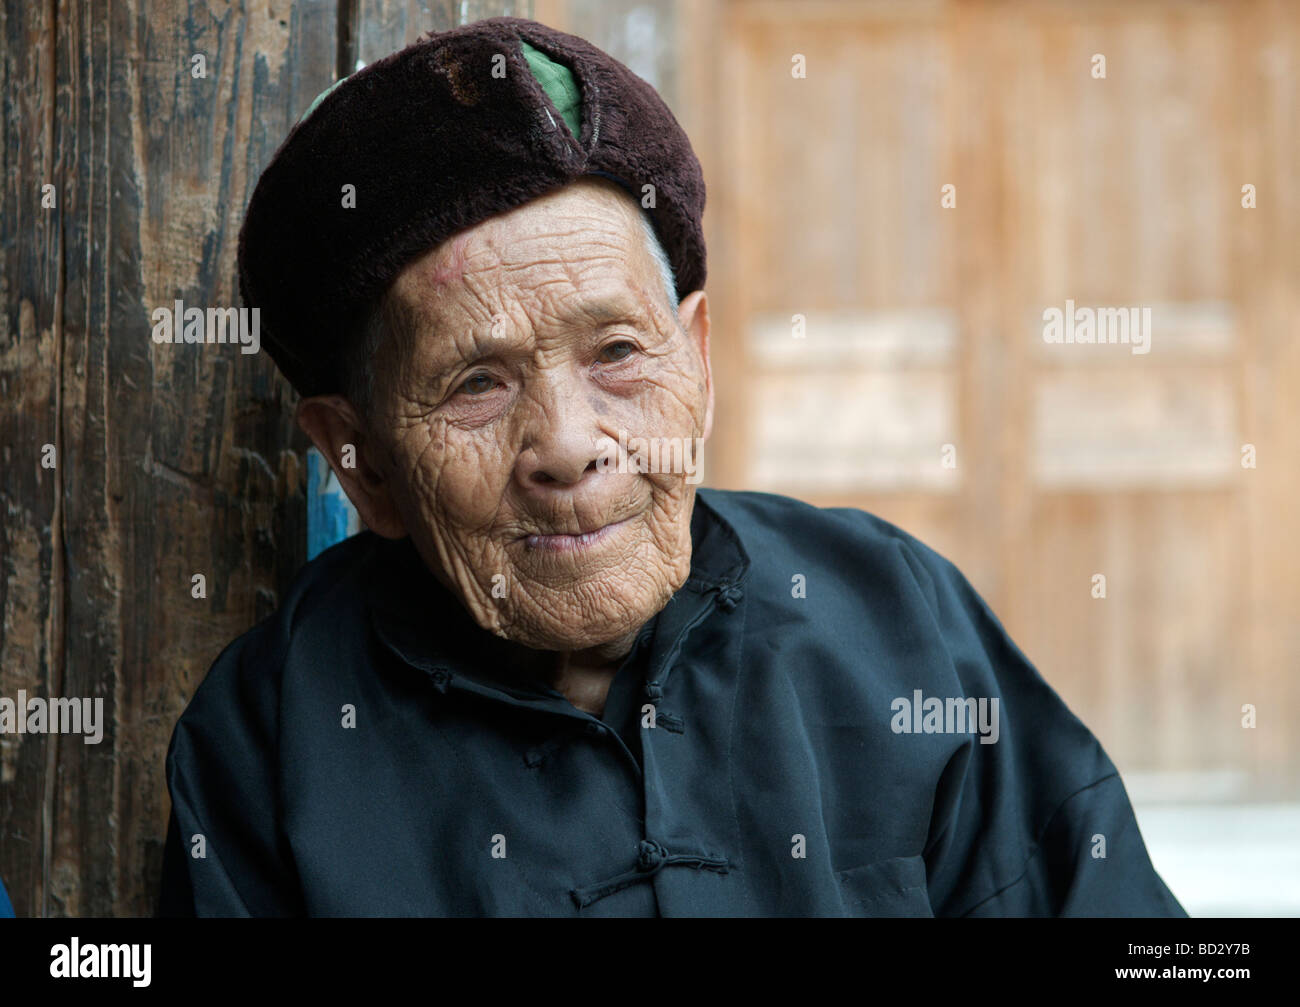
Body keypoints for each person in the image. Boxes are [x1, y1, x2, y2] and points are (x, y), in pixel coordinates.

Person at [158, 17, 1185, 917]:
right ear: (362, 459)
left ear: (695, 358)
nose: (567, 443)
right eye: (476, 382)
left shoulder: (895, 618)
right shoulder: (272, 739)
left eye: (616, 353)